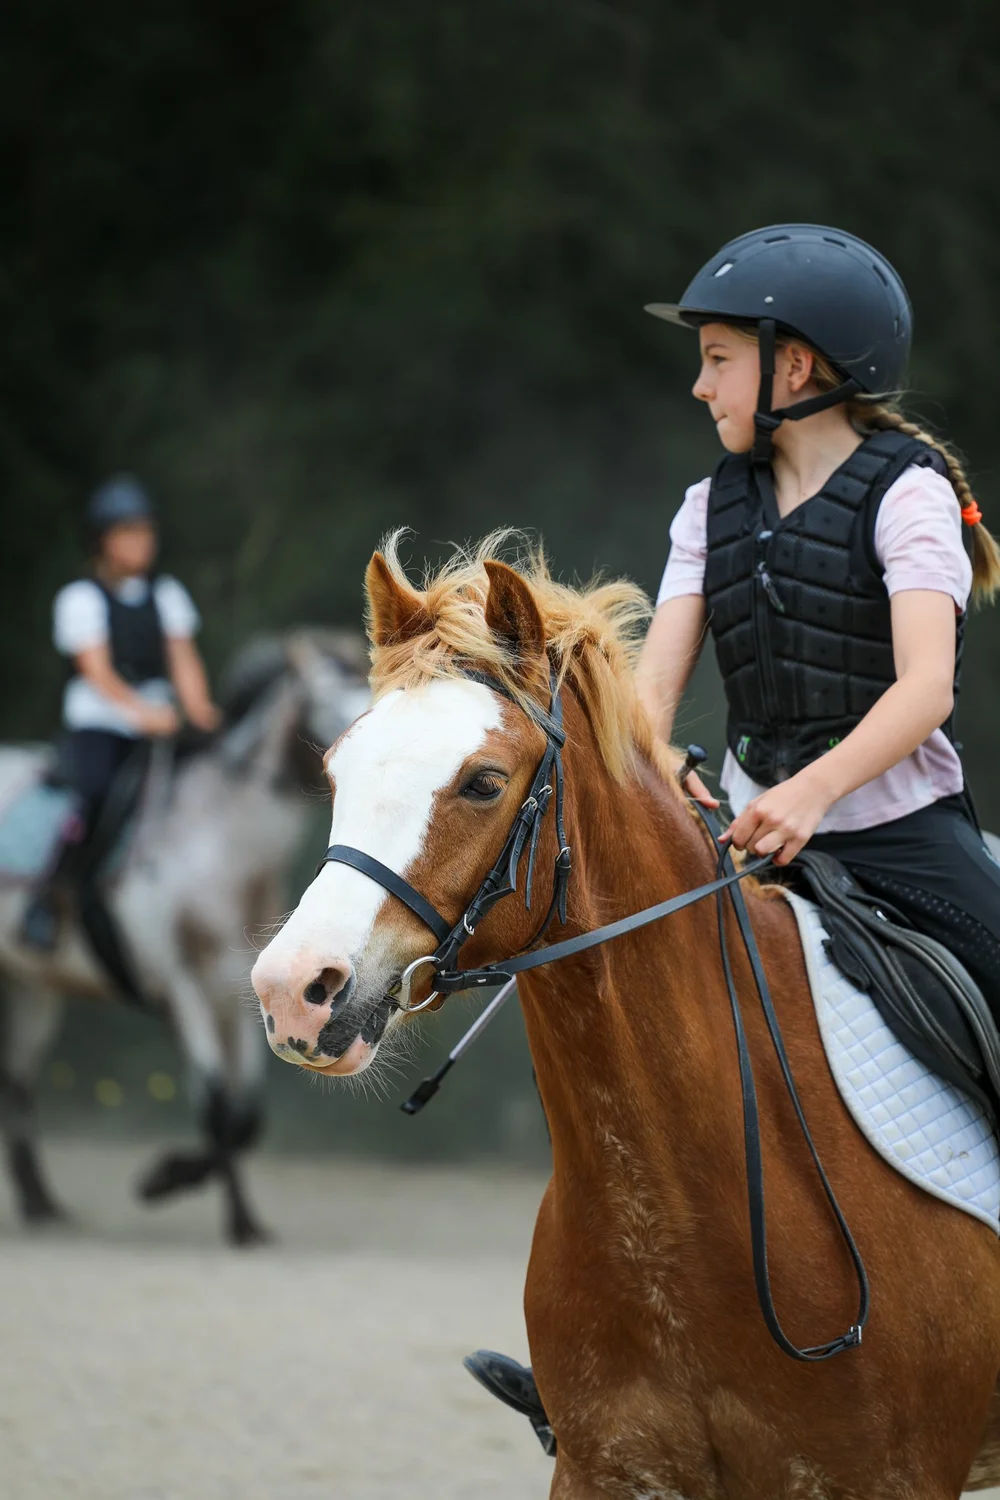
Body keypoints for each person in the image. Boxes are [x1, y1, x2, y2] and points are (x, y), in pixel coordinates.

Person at [465, 222, 1000, 1445]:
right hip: (747, 841)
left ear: (795, 368)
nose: (698, 383)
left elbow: (925, 689)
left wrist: (810, 797)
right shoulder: (712, 502)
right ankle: (606, 1364)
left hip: (901, 841)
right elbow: (647, 700)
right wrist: (661, 789)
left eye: (716, 357)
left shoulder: (908, 491)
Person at [20, 475, 221, 954]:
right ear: (103, 541)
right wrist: (144, 714)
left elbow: (183, 658)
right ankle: (48, 897)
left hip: (160, 719)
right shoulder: (80, 598)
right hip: (101, 722)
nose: (141, 542)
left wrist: (199, 708)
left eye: (145, 531)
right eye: (128, 532)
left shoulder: (166, 593)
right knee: (92, 795)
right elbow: (98, 672)